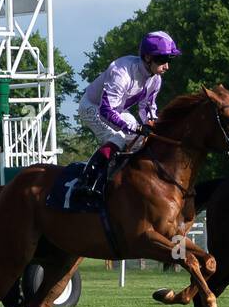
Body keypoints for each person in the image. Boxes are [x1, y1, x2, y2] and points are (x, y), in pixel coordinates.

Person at [75, 31, 180, 203]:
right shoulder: (121, 72)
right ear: (147, 57)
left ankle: (128, 182)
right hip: (92, 107)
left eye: (169, 60)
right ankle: (86, 182)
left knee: (142, 141)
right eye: (163, 60)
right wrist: (135, 127)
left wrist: (152, 124)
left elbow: (147, 107)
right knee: (118, 138)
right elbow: (105, 110)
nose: (167, 66)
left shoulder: (155, 79)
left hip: (118, 109)